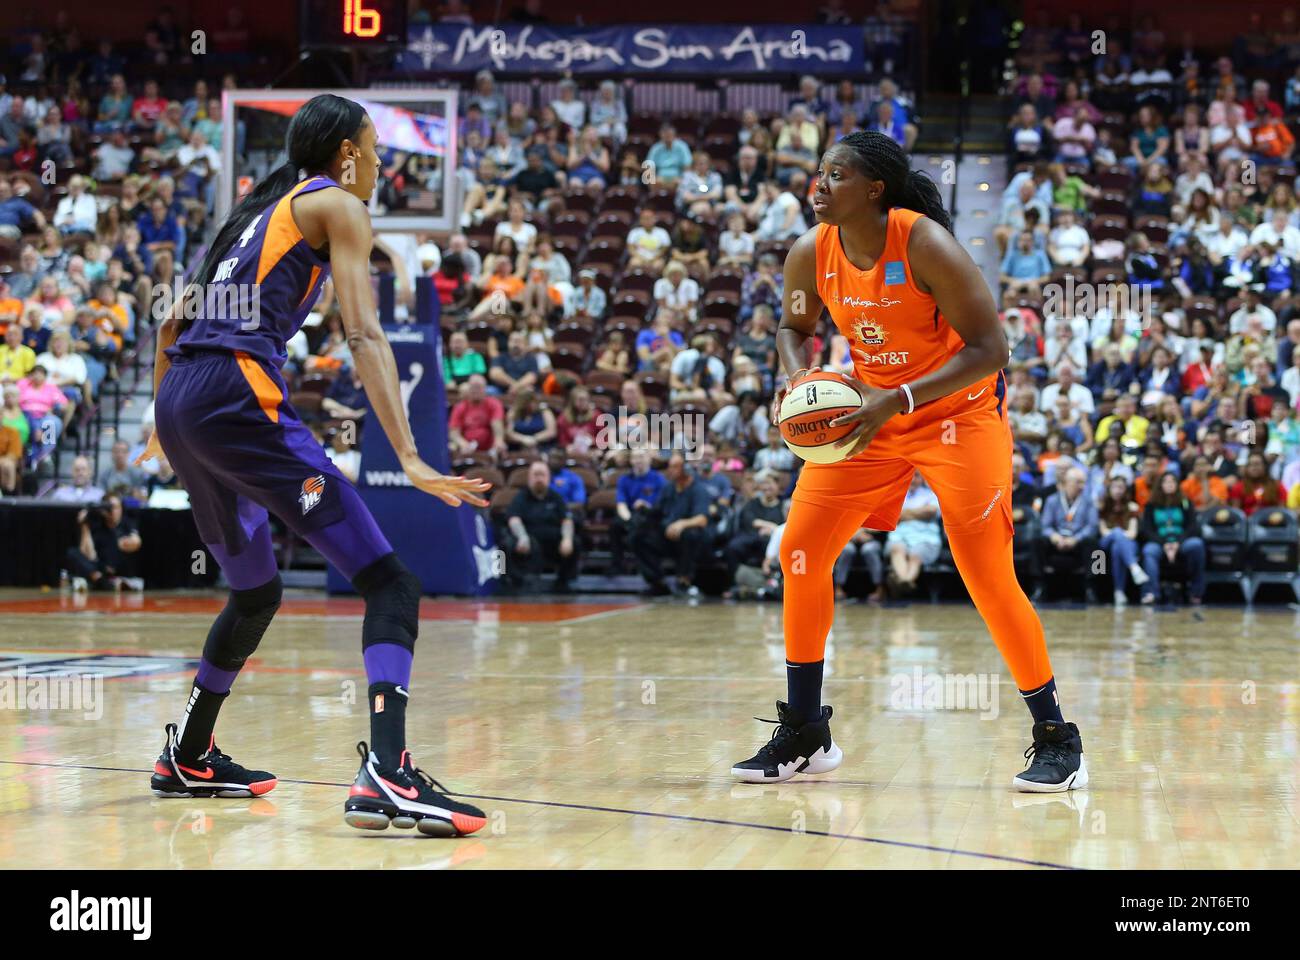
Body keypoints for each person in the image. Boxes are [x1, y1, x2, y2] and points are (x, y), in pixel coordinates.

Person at [136, 95, 490, 835]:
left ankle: (190, 752)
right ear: (348, 155)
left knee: (256, 592)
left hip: (184, 400)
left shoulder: (254, 214)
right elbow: (364, 334)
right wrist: (411, 457)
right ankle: (388, 772)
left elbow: (172, 320)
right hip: (236, 392)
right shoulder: (338, 206)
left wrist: (161, 417)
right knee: (389, 580)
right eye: (376, 150)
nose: (384, 166)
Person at [733, 131, 1088, 793]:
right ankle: (806, 731)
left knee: (986, 575)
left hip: (957, 413)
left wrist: (895, 398)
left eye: (835, 175)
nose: (818, 185)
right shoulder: (811, 251)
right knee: (800, 550)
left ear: (875, 189)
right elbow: (793, 327)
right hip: (869, 413)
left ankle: (1056, 736)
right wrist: (795, 377)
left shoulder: (924, 243)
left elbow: (991, 348)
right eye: (818, 172)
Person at [630, 452, 710, 597]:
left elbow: (702, 519)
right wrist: (645, 508)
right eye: (669, 467)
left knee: (690, 534)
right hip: (666, 535)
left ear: (686, 469)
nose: (670, 470)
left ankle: (684, 581)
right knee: (639, 536)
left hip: (690, 538)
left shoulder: (698, 489)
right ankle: (658, 582)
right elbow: (658, 511)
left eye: (675, 467)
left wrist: (682, 524)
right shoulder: (668, 488)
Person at [504, 460, 578, 592]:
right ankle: (515, 582)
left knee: (574, 542)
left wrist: (567, 539)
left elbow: (567, 520)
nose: (539, 478)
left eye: (542, 475)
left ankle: (563, 582)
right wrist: (522, 537)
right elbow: (514, 519)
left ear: (549, 478)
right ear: (529, 478)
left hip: (553, 541)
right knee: (507, 543)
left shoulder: (556, 497)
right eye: (535, 475)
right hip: (529, 539)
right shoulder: (521, 496)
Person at [1139, 471, 1206, 606]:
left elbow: (1193, 527)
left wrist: (1177, 543)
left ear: (1177, 485)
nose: (1169, 484)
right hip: (1159, 541)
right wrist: (1164, 543)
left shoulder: (1185, 503)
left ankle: (1195, 592)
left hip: (1182, 540)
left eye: (1172, 481)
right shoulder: (1151, 505)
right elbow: (1147, 530)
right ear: (1160, 485)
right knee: (1149, 551)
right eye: (1166, 481)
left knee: (1196, 545)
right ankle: (1152, 593)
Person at [62, 494, 143, 591]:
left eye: (116, 507)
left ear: (122, 509)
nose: (113, 511)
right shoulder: (97, 524)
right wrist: (84, 526)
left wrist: (123, 541)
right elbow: (89, 555)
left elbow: (136, 542)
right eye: (109, 507)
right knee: (72, 552)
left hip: (119, 565)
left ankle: (96, 581)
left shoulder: (127, 523)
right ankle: (100, 580)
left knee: (116, 543)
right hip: (99, 566)